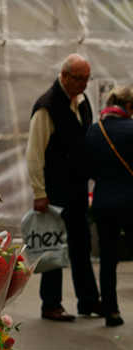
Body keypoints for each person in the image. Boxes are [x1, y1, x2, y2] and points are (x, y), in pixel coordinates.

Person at [27, 53, 101, 322]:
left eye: (86, 79)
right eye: (79, 79)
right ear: (65, 76)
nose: (83, 84)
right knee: (53, 246)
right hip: (55, 187)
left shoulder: (82, 102)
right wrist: (39, 193)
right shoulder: (47, 106)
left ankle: (89, 300)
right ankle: (50, 304)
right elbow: (34, 154)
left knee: (81, 244)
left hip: (77, 185)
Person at [81, 85, 133, 327]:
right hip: (130, 200)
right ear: (128, 107)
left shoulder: (93, 131)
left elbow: (86, 169)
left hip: (103, 201)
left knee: (108, 257)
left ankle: (111, 312)